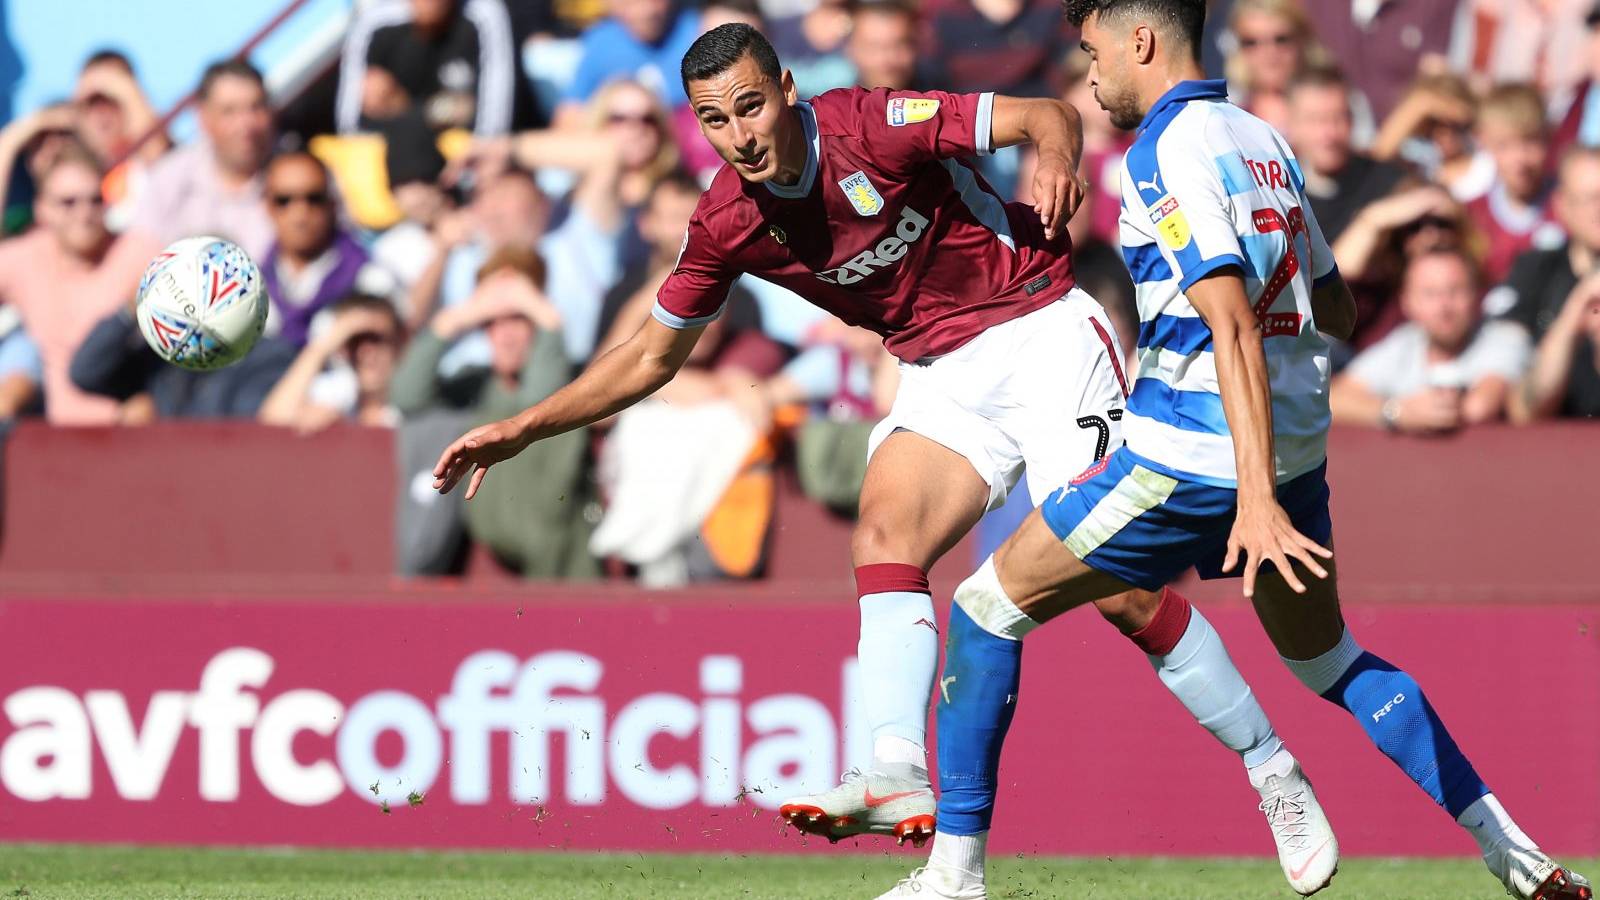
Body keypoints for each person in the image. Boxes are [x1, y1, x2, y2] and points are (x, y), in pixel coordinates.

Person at [432, 21, 1305, 864]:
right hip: (938, 371)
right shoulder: (726, 221)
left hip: (1041, 334)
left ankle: (1272, 768)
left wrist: (1053, 162)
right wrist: (521, 428)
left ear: (785, 90)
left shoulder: (868, 124)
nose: (739, 135)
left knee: (1119, 593)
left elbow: (1049, 113)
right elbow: (653, 357)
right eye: (714, 119)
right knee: (884, 536)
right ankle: (894, 770)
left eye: (749, 106)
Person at [886, 3, 1593, 899]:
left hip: (1188, 460)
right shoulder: (1263, 139)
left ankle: (953, 877)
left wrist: (1249, 497)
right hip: (1293, 454)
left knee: (987, 608)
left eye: (1094, 50)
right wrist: (1271, 463)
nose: (1091, 72)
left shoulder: (1162, 151)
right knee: (1330, 661)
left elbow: (1229, 327)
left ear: (1139, 42)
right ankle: (1515, 855)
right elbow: (1331, 303)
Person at [394, 246, 598, 578]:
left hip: (562, 565)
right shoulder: (474, 383)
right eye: (492, 321)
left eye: (519, 319)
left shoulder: (569, 374)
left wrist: (545, 316)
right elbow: (406, 397)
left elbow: (538, 403)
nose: (506, 336)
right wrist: (456, 318)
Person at [0, 148, 148, 425]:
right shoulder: (24, 257)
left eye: (95, 200)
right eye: (68, 202)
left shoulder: (138, 253)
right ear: (41, 209)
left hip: (127, 432)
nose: (84, 213)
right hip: (50, 437)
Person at [1331, 248, 1529, 432]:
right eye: (1430, 294)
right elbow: (1333, 399)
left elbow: (1480, 408)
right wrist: (1395, 412)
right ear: (1407, 302)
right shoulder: (1405, 342)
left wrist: (1415, 413)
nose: (1444, 307)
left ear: (1476, 294)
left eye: (1455, 291)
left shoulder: (1503, 338)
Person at [128, 60, 276, 261]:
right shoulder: (169, 179)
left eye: (256, 108)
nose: (246, 124)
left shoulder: (300, 182)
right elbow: (135, 264)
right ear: (202, 117)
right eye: (230, 111)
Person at [1502, 145, 1600, 421]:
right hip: (1560, 446)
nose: (1599, 208)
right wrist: (1575, 313)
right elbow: (1525, 410)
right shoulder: (1534, 272)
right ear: (1561, 205)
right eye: (1589, 198)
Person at [260, 151, 395, 346]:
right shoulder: (249, 287)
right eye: (284, 200)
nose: (300, 214)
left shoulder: (372, 282)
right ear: (268, 207)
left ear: (333, 205)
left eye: (314, 198)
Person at [335, 0, 521, 137]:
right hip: (393, 161)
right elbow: (351, 128)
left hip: (465, 161)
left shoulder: (483, 14)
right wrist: (437, 112)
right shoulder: (376, 22)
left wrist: (399, 110)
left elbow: (493, 129)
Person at [1283, 67, 1406, 245]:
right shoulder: (1281, 196)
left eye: (1338, 118)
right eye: (1315, 120)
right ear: (1291, 125)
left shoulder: (1385, 181)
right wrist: (1370, 223)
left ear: (1353, 120)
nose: (1329, 134)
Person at [259, 294, 405, 432]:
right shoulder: (336, 393)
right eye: (355, 341)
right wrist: (324, 346)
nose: (366, 353)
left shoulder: (415, 402)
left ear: (399, 343)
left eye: (377, 339)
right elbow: (272, 423)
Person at [1464, 83, 1563, 287]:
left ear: (1548, 136)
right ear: (1483, 142)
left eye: (1530, 142)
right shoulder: (1471, 217)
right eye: (1504, 145)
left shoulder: (1570, 207)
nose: (1519, 159)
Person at [847, 0, 920, 92]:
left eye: (898, 46)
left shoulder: (940, 100)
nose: (887, 61)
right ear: (851, 49)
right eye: (874, 48)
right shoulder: (831, 102)